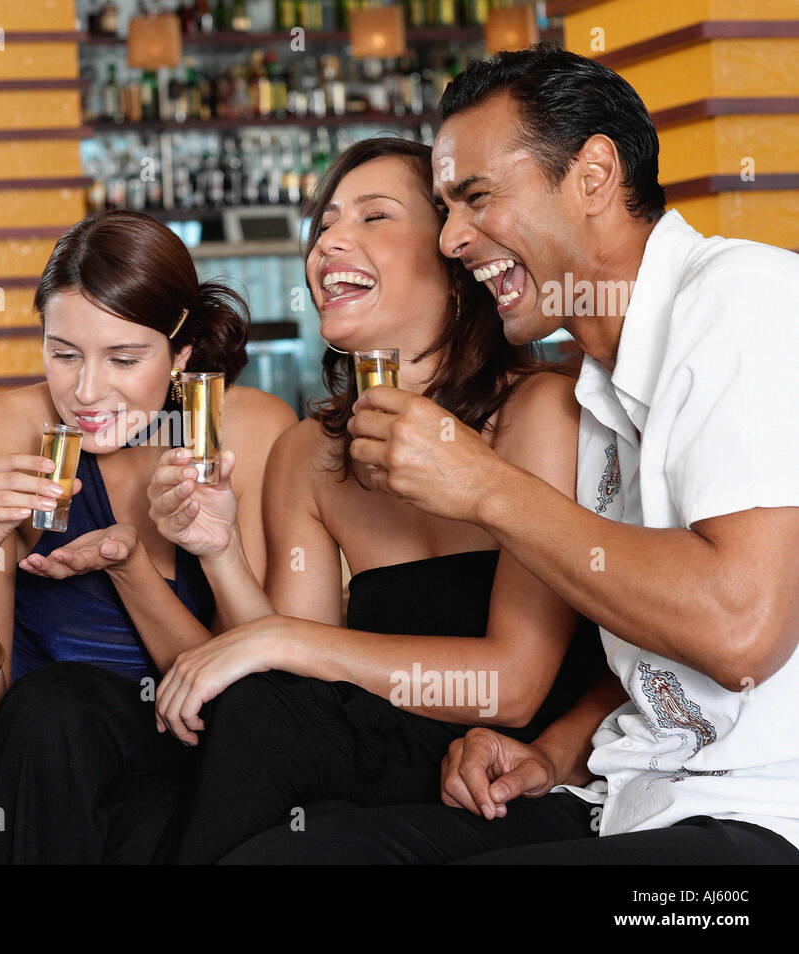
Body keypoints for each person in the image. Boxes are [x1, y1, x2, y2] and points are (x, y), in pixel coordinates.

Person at [272, 44, 799, 864]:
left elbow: (738, 630)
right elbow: (660, 661)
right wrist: (551, 754)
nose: (451, 239)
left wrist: (485, 488)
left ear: (592, 175)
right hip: (628, 800)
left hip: (765, 824)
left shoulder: (741, 301)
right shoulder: (598, 384)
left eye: (476, 198)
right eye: (444, 208)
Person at [143, 136, 607, 865]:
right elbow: (295, 683)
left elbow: (511, 687)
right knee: (255, 717)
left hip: (507, 769)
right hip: (383, 747)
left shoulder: (537, 414)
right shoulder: (310, 452)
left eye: (373, 217)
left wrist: (277, 641)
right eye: (325, 223)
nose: (331, 242)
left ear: (457, 263)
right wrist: (220, 551)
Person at [0, 209, 296, 863]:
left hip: (198, 767)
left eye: (124, 359)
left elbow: (261, 705)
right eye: (63, 354)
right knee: (56, 707)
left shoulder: (244, 430)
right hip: (42, 780)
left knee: (156, 814)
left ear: (182, 352)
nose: (88, 391)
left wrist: (131, 573)